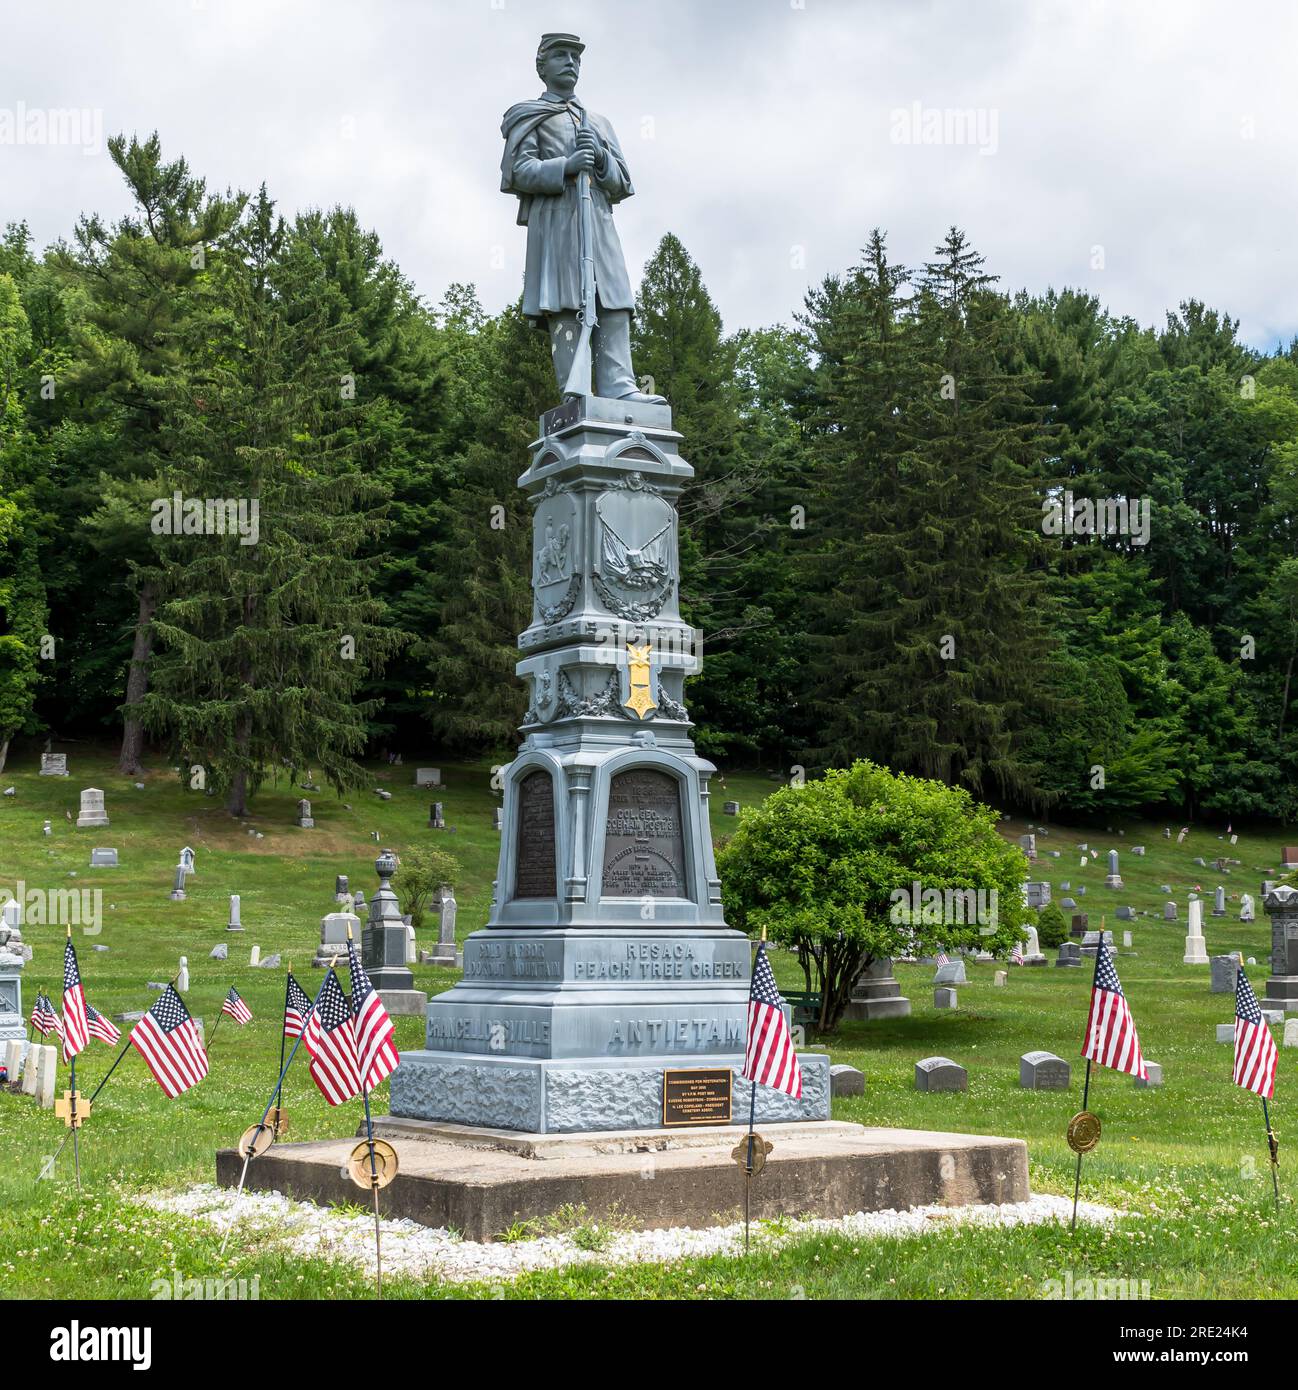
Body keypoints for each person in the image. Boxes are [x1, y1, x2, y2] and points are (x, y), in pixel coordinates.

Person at [500, 32, 665, 403]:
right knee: (565, 303)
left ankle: (620, 386)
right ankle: (574, 393)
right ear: (542, 65)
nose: (570, 63)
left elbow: (623, 183)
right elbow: (517, 172)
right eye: (561, 55)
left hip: (600, 225)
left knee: (613, 300)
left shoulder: (600, 123)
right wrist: (566, 166)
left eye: (576, 57)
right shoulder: (528, 116)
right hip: (558, 224)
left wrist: (603, 160)